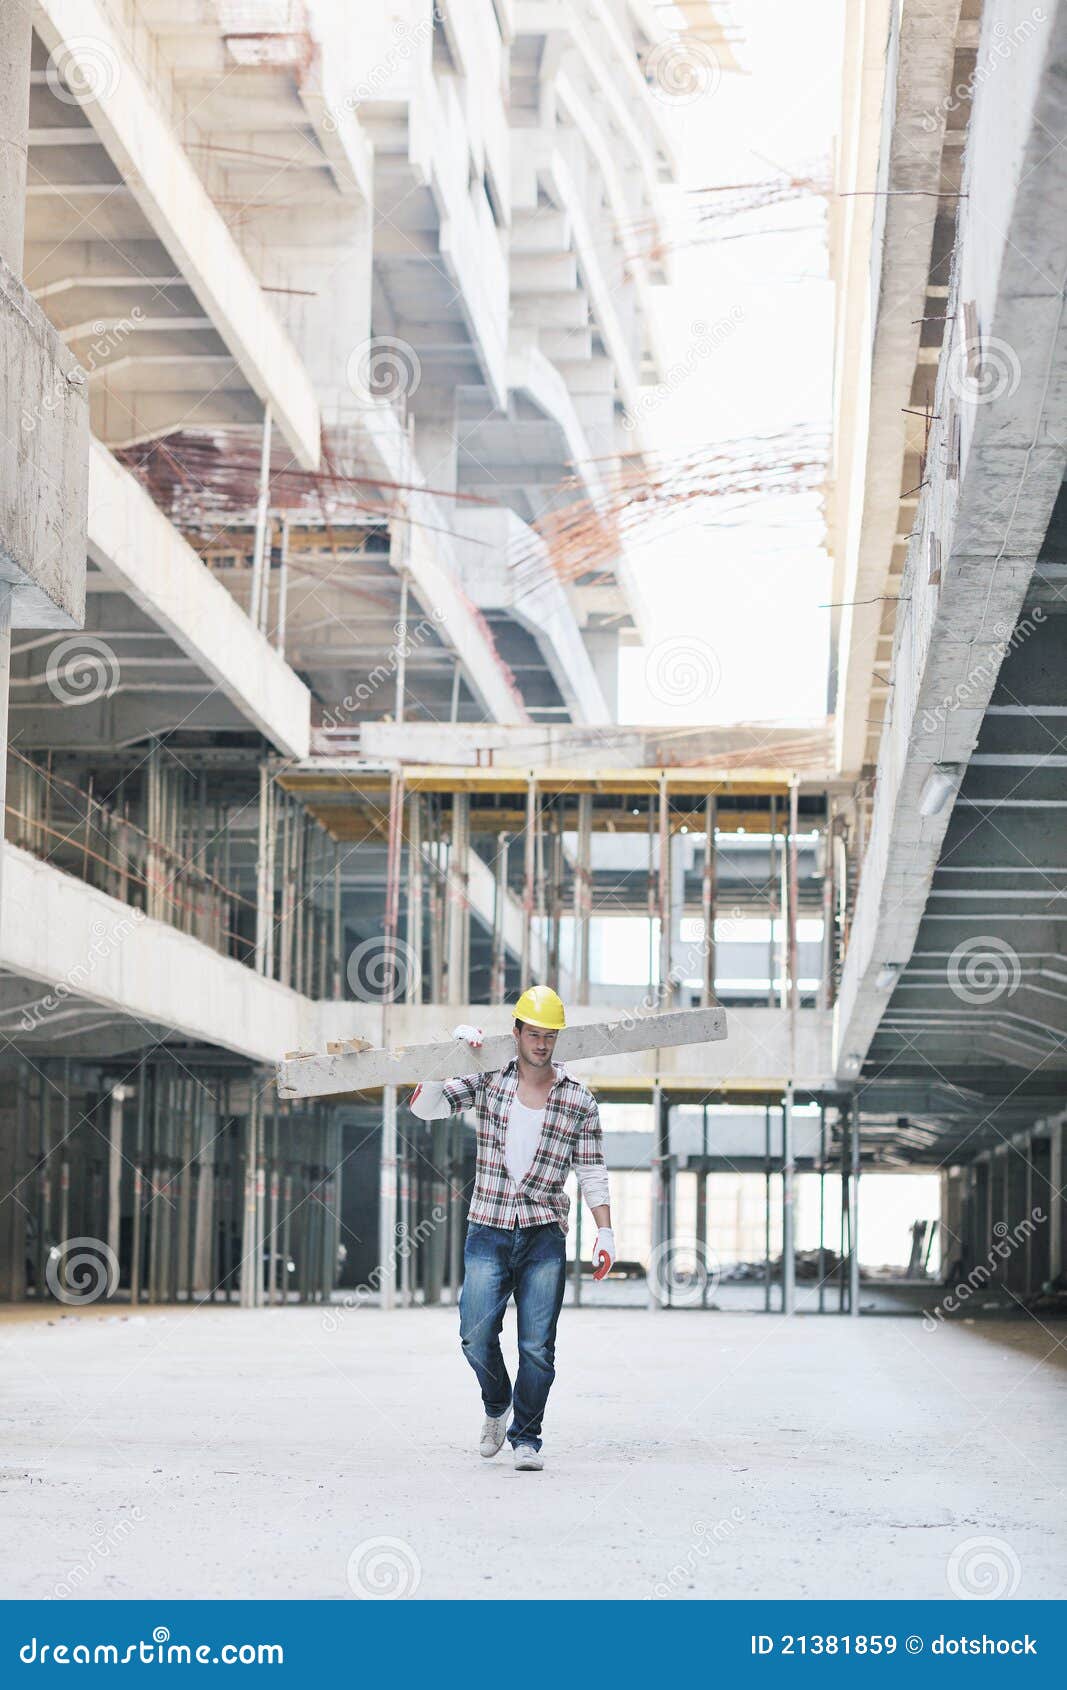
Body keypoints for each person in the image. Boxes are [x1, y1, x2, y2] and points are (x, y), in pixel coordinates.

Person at [410, 986, 615, 1471]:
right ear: (517, 1033)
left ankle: (527, 1437)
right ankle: (496, 1404)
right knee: (473, 1333)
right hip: (490, 1226)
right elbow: (425, 1107)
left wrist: (605, 1232)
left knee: (537, 1345)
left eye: (550, 1036)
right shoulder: (489, 1082)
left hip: (545, 1232)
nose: (542, 1044)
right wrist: (450, 1054)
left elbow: (592, 1171)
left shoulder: (578, 1101)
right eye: (534, 1034)